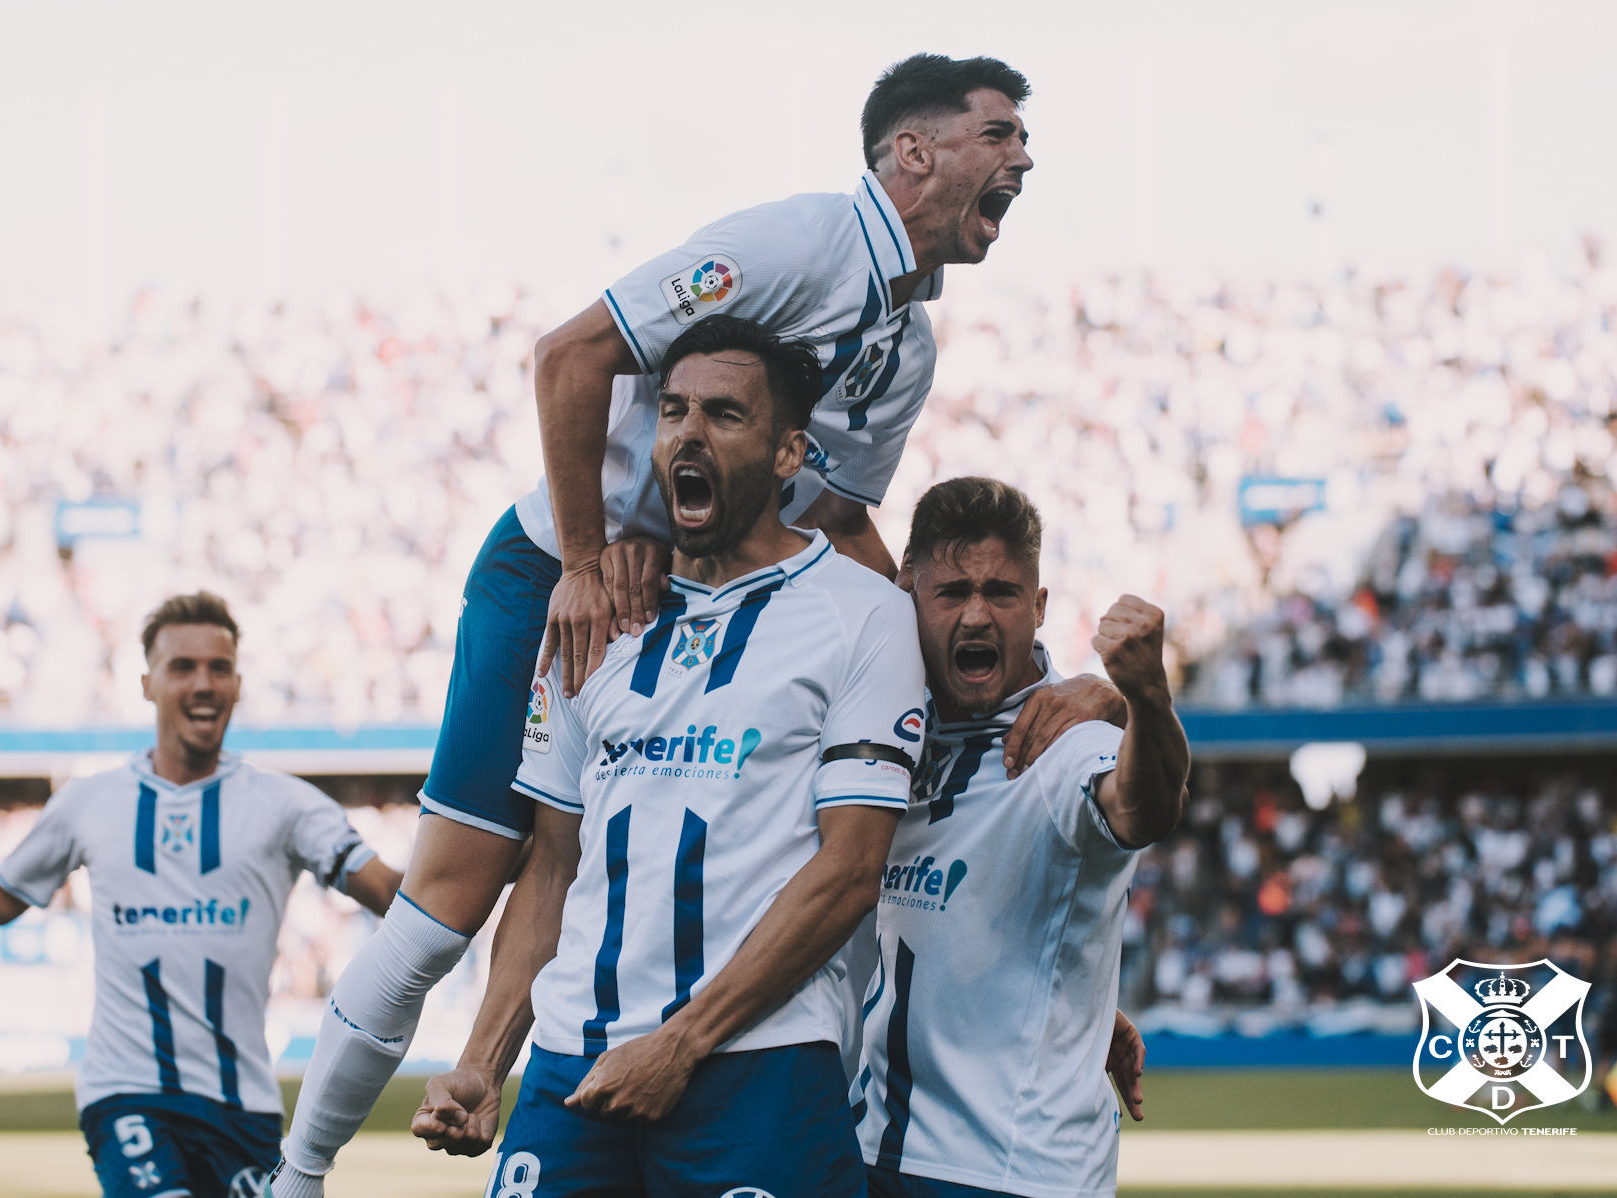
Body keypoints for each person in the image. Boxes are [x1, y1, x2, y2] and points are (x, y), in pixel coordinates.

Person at [277, 52, 1125, 1193]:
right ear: (911, 153)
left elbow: (841, 531)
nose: (1024, 156)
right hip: (563, 568)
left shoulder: (907, 347)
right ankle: (298, 1171)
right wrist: (586, 561)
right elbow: (570, 356)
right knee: (449, 906)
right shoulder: (800, 246)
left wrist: (1043, 678)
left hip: (703, 594)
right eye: (999, 134)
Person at [404, 315, 924, 1192]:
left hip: (756, 1065)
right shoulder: (595, 619)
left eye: (724, 414)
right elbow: (553, 866)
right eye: (673, 409)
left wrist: (680, 1043)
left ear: (790, 453)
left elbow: (849, 871)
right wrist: (486, 1060)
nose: (687, 430)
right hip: (573, 1070)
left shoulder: (862, 614)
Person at [0, 592, 403, 1198]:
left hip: (244, 1107)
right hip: (127, 1094)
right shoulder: (89, 801)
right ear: (147, 684)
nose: (203, 683)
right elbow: (2, 894)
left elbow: (389, 892)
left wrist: (496, 844)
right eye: (182, 667)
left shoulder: (286, 805)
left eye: (219, 668)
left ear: (238, 683)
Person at [852, 478, 1188, 1197]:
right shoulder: (887, 723)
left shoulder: (1064, 743)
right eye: (951, 593)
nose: (976, 615)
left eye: (1001, 593)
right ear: (907, 593)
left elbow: (1142, 808)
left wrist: (1147, 699)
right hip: (872, 1151)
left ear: (1038, 607)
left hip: (1007, 1173)